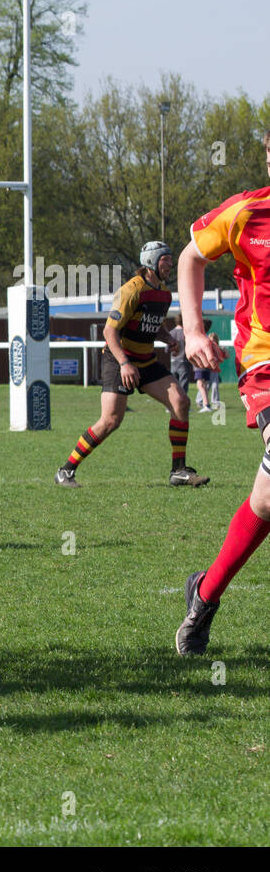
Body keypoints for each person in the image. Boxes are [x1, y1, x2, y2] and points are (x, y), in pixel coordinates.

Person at [175, 130, 270, 656]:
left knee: (266, 501)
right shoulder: (246, 214)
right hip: (264, 363)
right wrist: (192, 330)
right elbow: (191, 257)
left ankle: (205, 594)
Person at [55, 241, 208, 488]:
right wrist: (125, 363)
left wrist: (167, 337)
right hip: (118, 359)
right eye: (165, 260)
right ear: (151, 263)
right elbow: (109, 332)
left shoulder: (164, 294)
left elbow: (151, 322)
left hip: (145, 360)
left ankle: (178, 471)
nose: (170, 264)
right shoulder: (131, 291)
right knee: (110, 421)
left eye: (171, 259)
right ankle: (66, 470)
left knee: (181, 402)